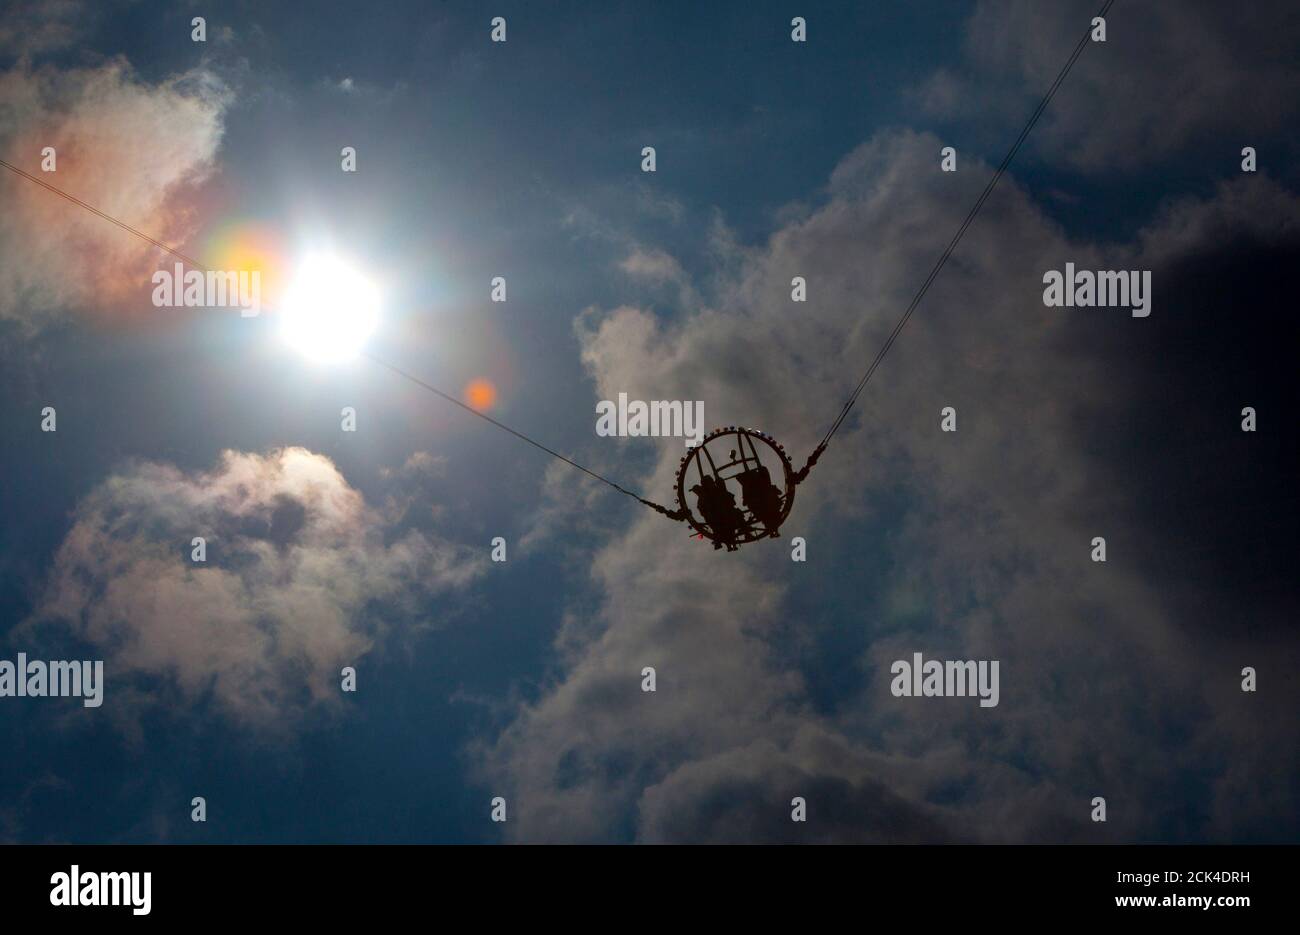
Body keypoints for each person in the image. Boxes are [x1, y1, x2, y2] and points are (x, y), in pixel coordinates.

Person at [736, 464, 784, 537]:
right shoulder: (770, 510)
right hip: (760, 494)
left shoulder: (765, 513)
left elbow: (746, 503)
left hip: (757, 495)